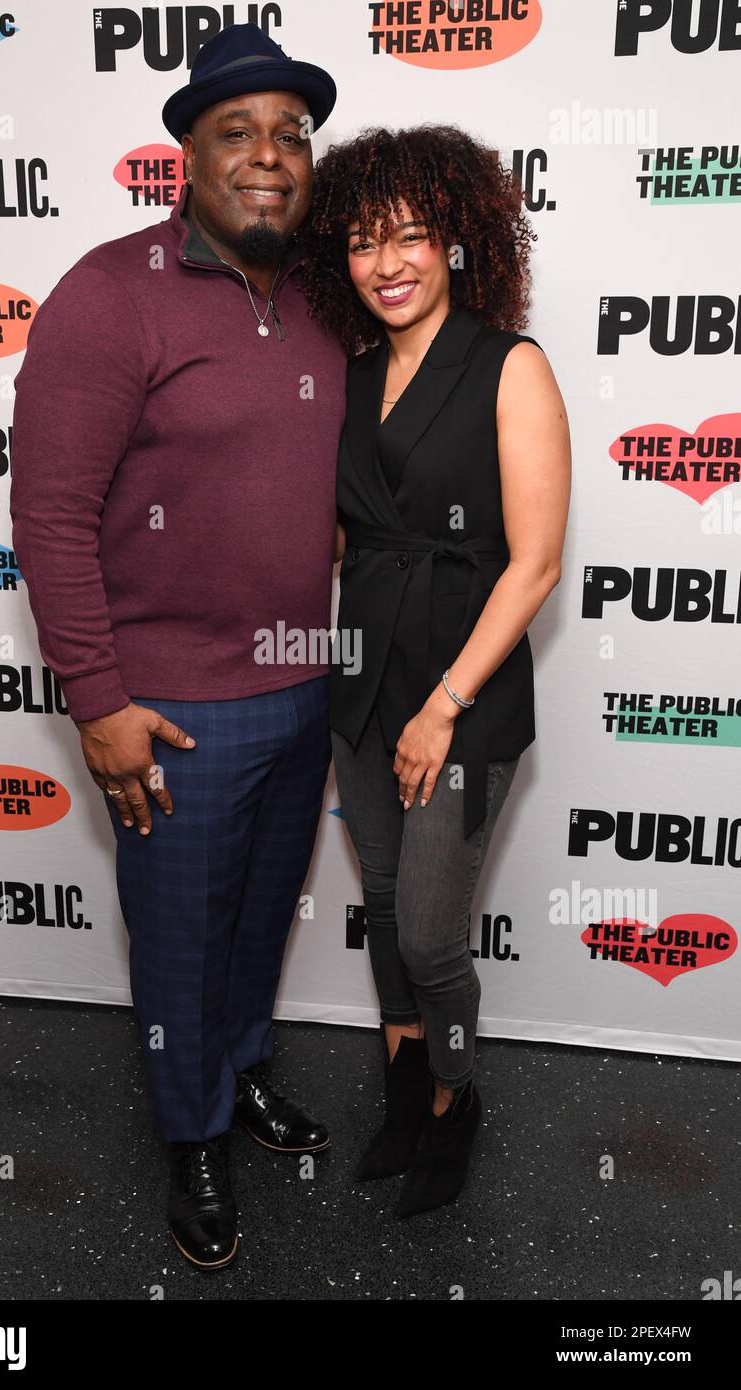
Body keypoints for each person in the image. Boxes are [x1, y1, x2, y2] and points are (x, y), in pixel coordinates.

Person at [9, 24, 345, 1270]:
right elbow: (47, 513)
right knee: (180, 935)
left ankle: (244, 1073)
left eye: (292, 134)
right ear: (184, 156)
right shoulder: (109, 293)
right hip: (169, 705)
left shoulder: (322, 296)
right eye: (237, 132)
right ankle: (189, 1129)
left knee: (261, 920)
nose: (271, 155)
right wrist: (96, 697)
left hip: (303, 681)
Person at [297, 125, 571, 1218]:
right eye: (364, 240)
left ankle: (455, 1098)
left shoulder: (508, 364)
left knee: (426, 931)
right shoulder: (351, 377)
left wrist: (443, 706)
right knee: (374, 898)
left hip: (458, 691)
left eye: (410, 234)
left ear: (458, 241)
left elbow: (536, 561)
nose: (388, 261)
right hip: (359, 681)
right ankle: (404, 1089)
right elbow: (330, 539)